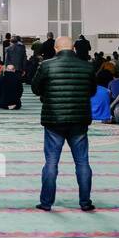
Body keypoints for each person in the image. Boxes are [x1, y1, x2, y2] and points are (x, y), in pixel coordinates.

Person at [32, 36, 96, 212]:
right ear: (74, 48)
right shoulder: (87, 66)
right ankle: (85, 202)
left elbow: (35, 88)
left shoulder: (46, 65)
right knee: (82, 162)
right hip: (79, 120)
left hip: (54, 120)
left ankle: (46, 203)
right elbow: (92, 91)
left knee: (51, 163)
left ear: (55, 48)